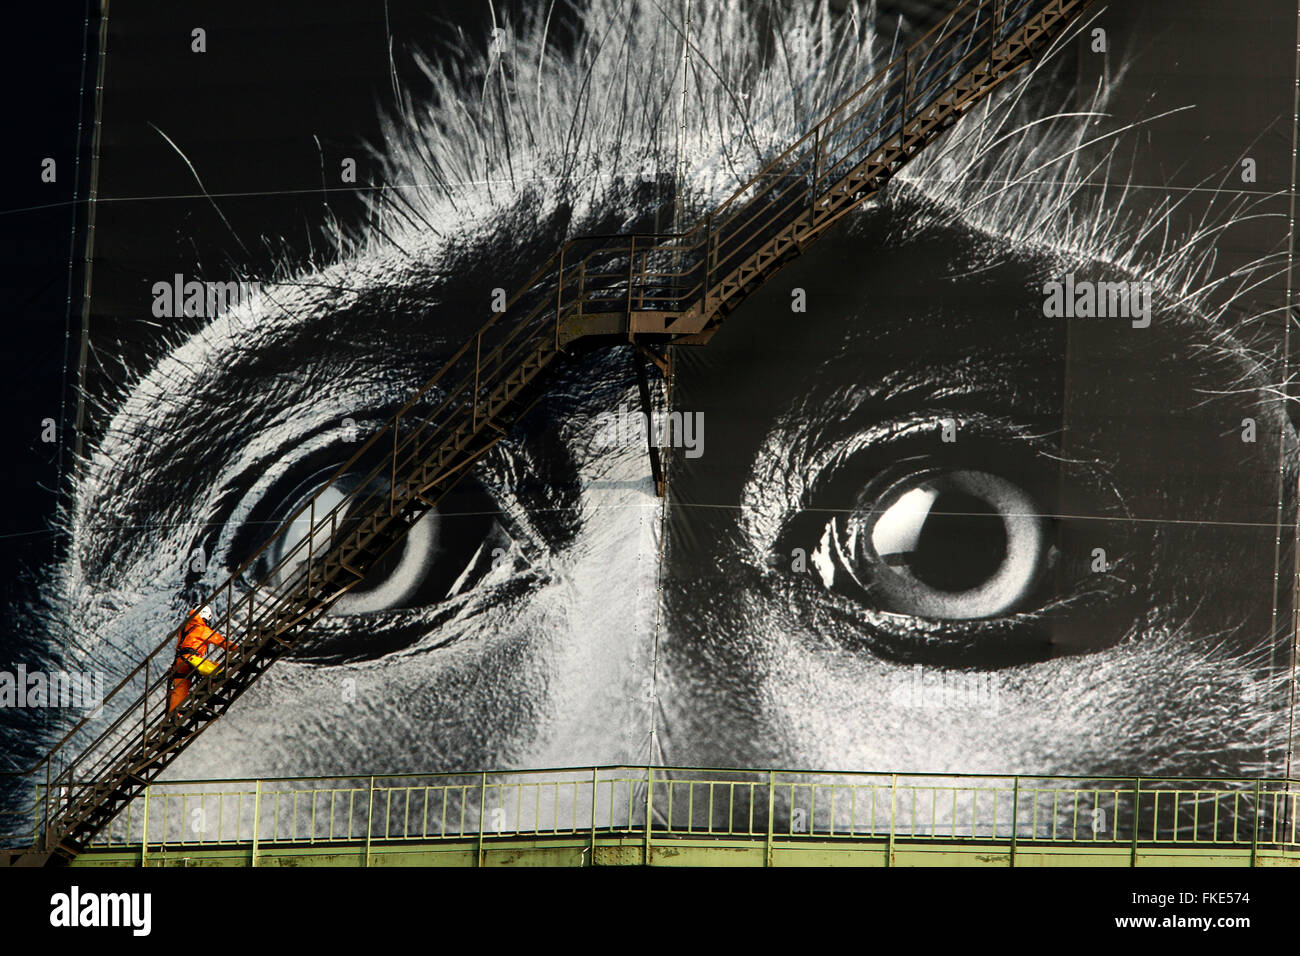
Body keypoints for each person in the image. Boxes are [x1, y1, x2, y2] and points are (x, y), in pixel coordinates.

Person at [167, 606, 232, 714]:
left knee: (179, 692)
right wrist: (236, 648)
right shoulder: (201, 629)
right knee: (216, 670)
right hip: (191, 659)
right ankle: (207, 691)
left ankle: (173, 716)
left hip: (179, 662)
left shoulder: (185, 628)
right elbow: (221, 641)